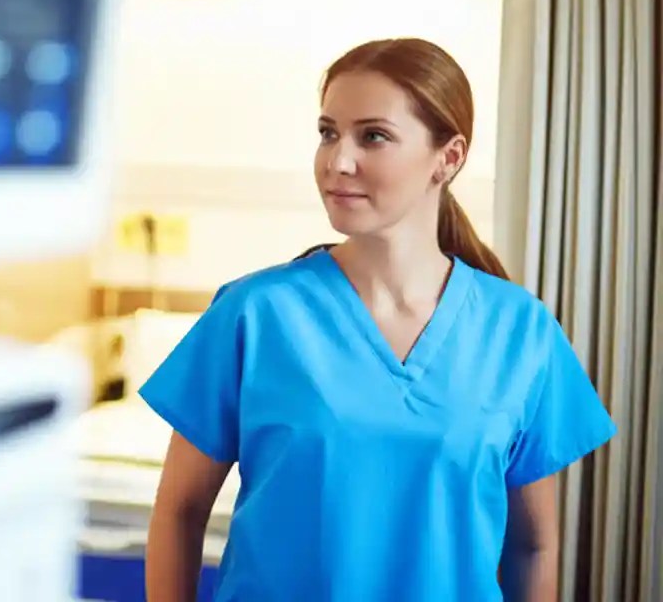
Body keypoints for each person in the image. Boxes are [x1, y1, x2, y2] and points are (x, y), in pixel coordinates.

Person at [139, 38, 617, 602]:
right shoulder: (254, 315)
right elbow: (179, 511)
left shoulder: (520, 331)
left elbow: (531, 547)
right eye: (328, 133)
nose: (338, 160)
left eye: (373, 136)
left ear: (450, 157)